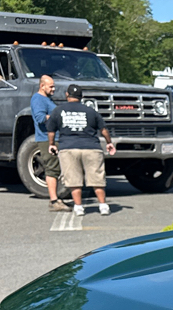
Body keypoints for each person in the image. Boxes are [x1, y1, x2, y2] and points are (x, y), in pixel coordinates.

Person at [45, 83, 116, 216]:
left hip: (68, 148)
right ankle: (103, 205)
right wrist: (109, 143)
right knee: (97, 178)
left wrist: (52, 144)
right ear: (81, 97)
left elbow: (51, 130)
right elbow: (103, 129)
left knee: (74, 180)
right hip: (92, 148)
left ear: (67, 95)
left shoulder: (58, 110)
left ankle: (78, 207)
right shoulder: (91, 111)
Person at [30, 75, 66, 210]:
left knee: (56, 168)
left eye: (53, 86)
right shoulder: (38, 99)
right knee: (51, 169)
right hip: (46, 139)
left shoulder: (47, 99)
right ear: (42, 86)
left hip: (55, 138)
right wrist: (57, 118)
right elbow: (40, 118)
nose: (54, 89)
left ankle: (57, 199)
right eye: (51, 86)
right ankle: (54, 201)